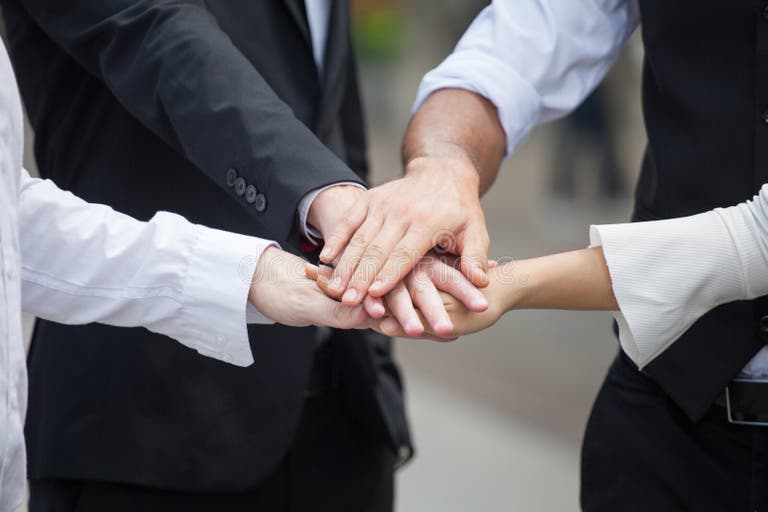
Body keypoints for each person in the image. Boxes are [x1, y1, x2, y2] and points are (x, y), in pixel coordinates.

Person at [0, 1, 484, 510]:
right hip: (148, 434)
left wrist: (376, 365)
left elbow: (332, 115)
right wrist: (339, 203)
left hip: (344, 421)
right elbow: (160, 36)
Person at [310, 0, 768, 509]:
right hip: (664, 411)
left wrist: (511, 284)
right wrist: (444, 163)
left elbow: (757, 235)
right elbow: (530, 33)